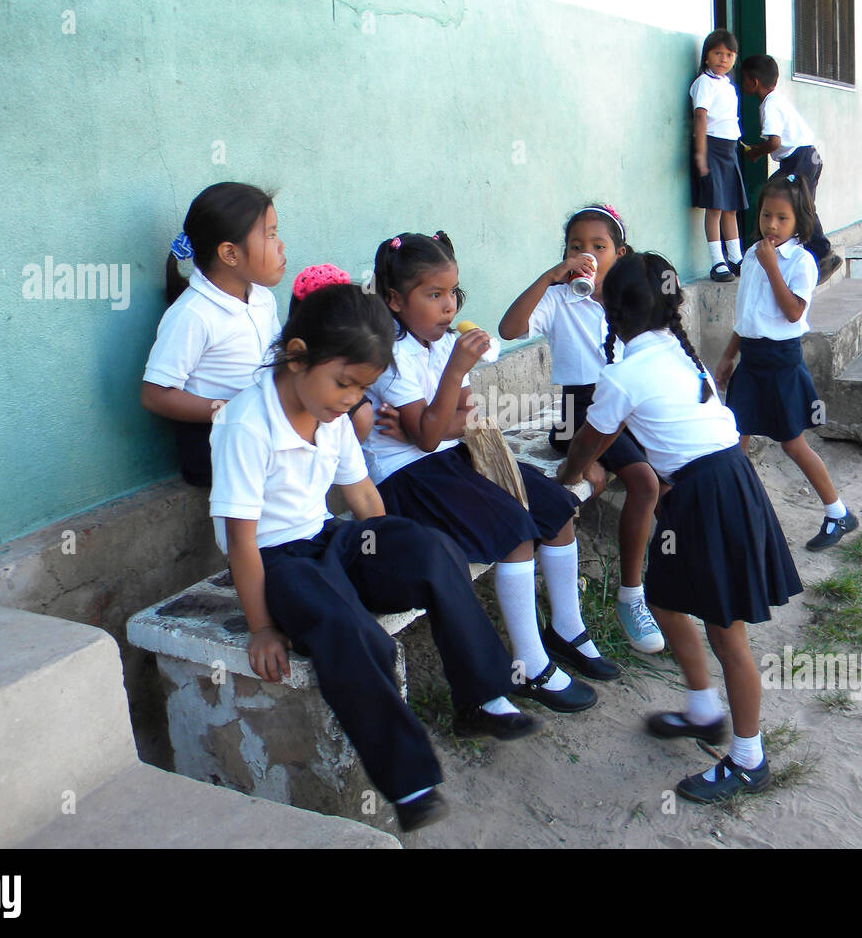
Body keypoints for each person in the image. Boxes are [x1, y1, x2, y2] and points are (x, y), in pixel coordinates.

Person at [210, 283, 539, 833]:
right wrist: (262, 627)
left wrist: (393, 548)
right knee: (352, 631)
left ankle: (482, 698)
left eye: (361, 389)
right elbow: (242, 539)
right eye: (344, 383)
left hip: (328, 537)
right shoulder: (248, 422)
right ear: (297, 356)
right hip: (276, 563)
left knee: (432, 549)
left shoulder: (331, 414)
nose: (349, 400)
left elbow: (363, 499)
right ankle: (409, 782)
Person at [556, 251, 802, 803]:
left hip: (710, 495)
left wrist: (564, 479)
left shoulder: (625, 374)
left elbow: (586, 446)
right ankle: (702, 708)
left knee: (727, 634)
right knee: (665, 598)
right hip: (716, 486)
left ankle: (748, 759)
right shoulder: (673, 349)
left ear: (612, 313)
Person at [364, 231, 612, 713]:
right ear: (394, 300)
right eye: (433, 295)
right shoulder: (392, 357)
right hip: (409, 481)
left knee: (555, 505)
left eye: (452, 293)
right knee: (513, 529)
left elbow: (468, 418)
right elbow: (433, 436)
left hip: (452, 458)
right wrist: (448, 392)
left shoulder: (441, 344)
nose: (448, 307)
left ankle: (566, 629)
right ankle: (530, 665)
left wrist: (431, 422)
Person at [498, 205, 665, 655]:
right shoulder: (557, 300)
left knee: (670, 475)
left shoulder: (630, 300)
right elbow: (509, 328)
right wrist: (549, 277)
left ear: (621, 253)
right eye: (576, 246)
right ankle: (632, 597)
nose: (586, 254)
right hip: (582, 407)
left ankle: (668, 578)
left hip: (626, 404)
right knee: (645, 482)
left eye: (598, 246)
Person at [715, 175, 858, 550]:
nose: (772, 225)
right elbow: (746, 314)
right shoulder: (751, 254)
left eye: (782, 218)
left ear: (799, 222)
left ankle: (838, 513)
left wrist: (771, 266)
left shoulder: (801, 261)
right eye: (766, 216)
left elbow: (794, 312)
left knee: (793, 445)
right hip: (751, 361)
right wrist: (729, 356)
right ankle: (742, 519)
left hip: (781, 364)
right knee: (735, 442)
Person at [142, 182, 283, 487]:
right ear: (230, 254)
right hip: (212, 442)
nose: (280, 245)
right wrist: (227, 408)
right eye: (270, 235)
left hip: (255, 428)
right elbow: (154, 396)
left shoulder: (263, 299)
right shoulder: (193, 314)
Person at [740, 54, 843, 283]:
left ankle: (822, 252)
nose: (741, 84)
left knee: (779, 196)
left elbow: (775, 142)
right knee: (803, 205)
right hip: (810, 156)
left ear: (753, 82)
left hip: (800, 158)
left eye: (743, 79)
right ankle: (814, 252)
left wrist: (756, 152)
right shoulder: (777, 99)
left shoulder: (769, 105)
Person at [289, 263, 379, 440]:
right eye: (343, 383)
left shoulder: (337, 420)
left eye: (364, 387)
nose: (352, 399)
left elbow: (353, 468)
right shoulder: (249, 428)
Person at [689, 30, 748, 282]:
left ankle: (736, 258)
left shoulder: (727, 84)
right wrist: (701, 154)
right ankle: (717, 261)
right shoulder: (704, 83)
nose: (723, 59)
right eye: (718, 53)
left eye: (729, 54)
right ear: (706, 57)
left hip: (728, 149)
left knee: (731, 208)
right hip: (711, 147)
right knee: (715, 207)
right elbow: (700, 117)